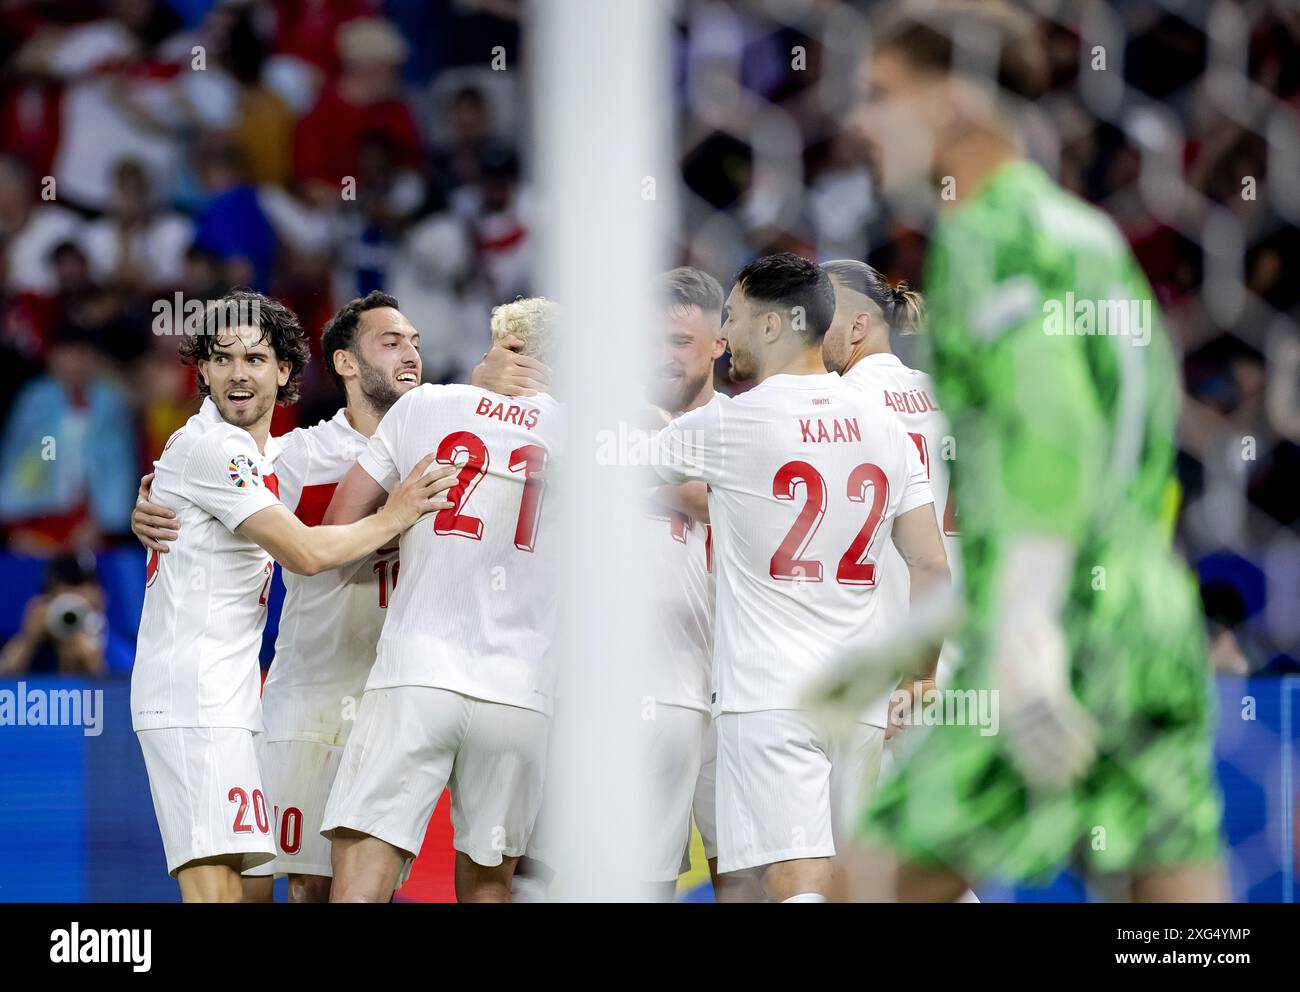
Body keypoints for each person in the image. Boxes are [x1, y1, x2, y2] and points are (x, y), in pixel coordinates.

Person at [834, 2, 1225, 902]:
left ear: (959, 104)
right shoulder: (1084, 234)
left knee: (875, 882)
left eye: (882, 93)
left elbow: (1053, 430)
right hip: (1149, 610)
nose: (858, 121)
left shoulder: (990, 236)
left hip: (1059, 623)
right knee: (1178, 908)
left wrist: (1026, 626)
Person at [130, 290, 454, 902]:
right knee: (232, 893)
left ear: (283, 371)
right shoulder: (223, 450)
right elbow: (303, 552)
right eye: (222, 359)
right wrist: (397, 513)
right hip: (202, 698)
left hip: (239, 703)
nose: (238, 373)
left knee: (244, 892)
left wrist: (151, 505)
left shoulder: (268, 457)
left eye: (254, 359)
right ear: (201, 370)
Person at [652, 253, 950, 902]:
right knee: (853, 881)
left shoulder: (732, 421)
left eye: (730, 317)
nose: (723, 334)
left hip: (771, 696)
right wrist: (920, 676)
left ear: (773, 326)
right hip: (862, 699)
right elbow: (931, 565)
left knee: (796, 880)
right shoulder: (884, 425)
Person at [320, 297, 563, 903]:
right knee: (489, 886)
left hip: (418, 672)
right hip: (520, 690)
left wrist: (402, 527)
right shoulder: (583, 433)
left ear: (500, 346)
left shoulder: (426, 406)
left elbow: (338, 525)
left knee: (364, 872)